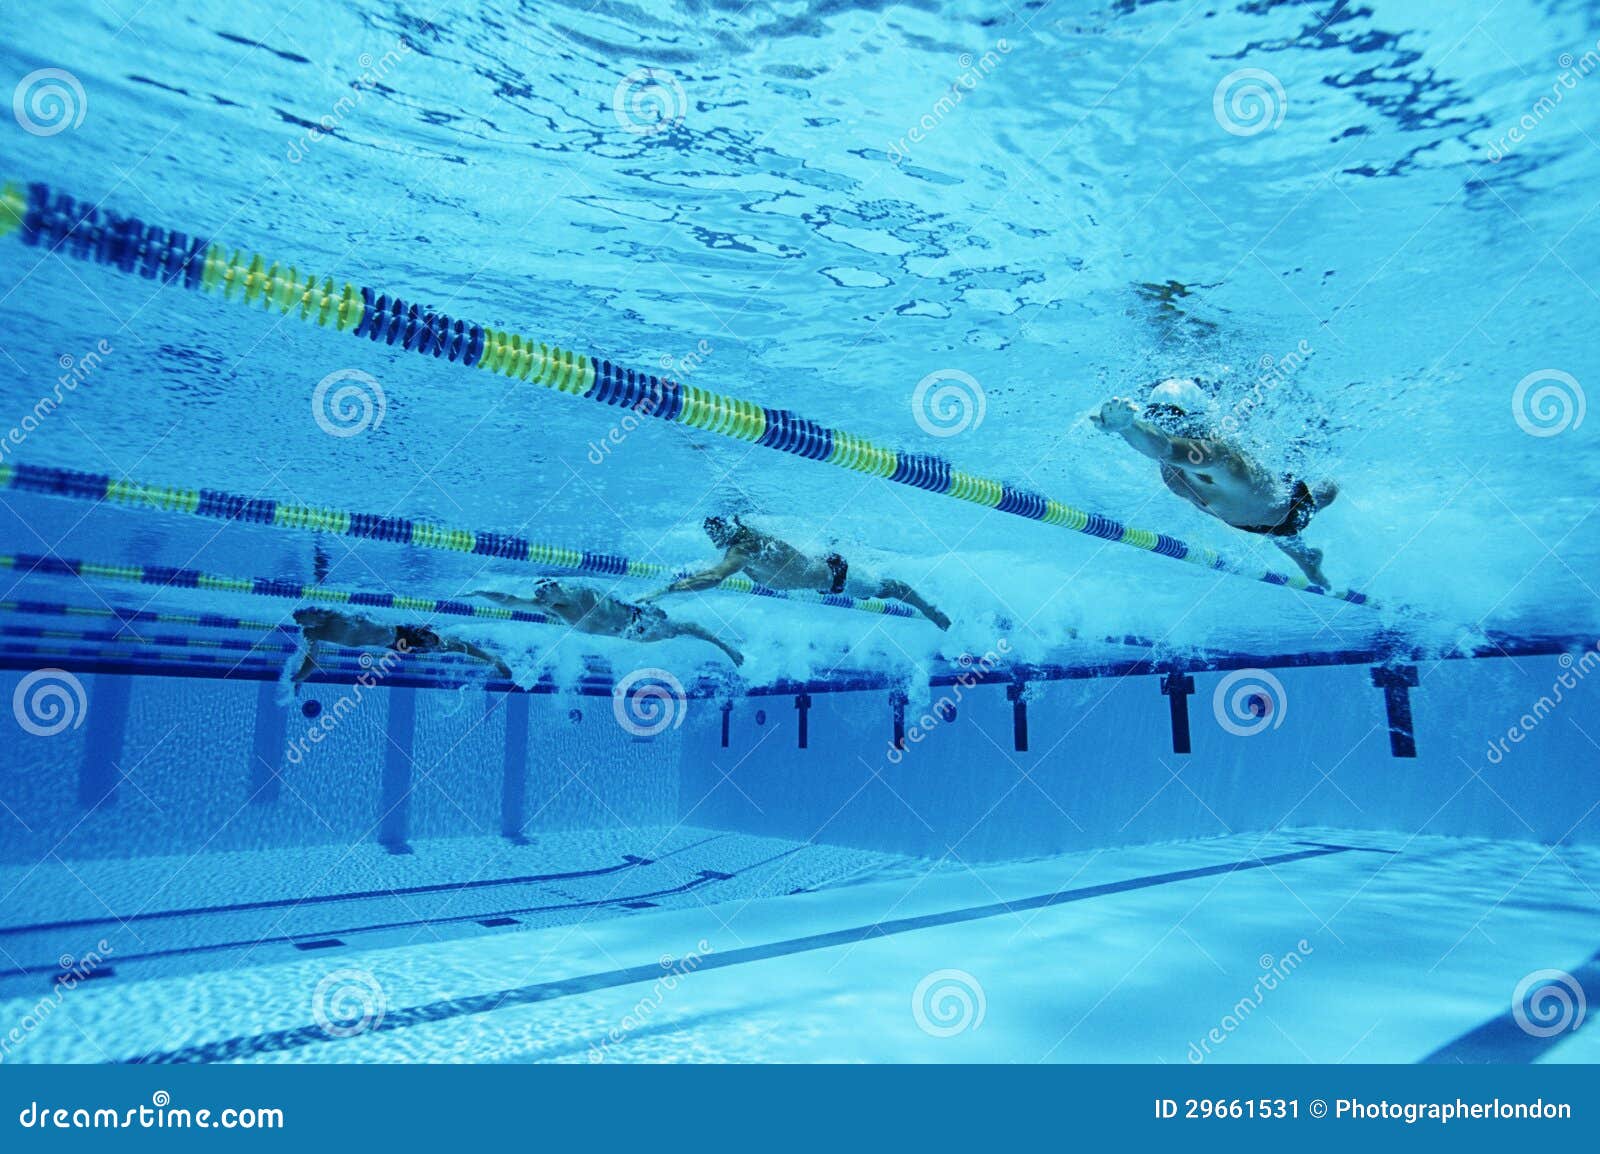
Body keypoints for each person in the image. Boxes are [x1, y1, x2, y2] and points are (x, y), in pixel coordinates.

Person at [1092, 378, 1339, 587]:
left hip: (1287, 509)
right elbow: (1162, 445)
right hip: (1251, 517)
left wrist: (1129, 428)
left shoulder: (1218, 456)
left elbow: (1167, 448)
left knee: (1322, 496)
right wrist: (1132, 429)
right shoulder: (1175, 454)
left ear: (1198, 418)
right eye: (1158, 415)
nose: (1168, 423)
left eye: (1174, 415)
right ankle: (1310, 562)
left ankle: (1334, 488)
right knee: (1289, 544)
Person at [652, 515, 951, 630]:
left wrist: (675, 589)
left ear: (728, 531)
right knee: (882, 587)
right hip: (822, 575)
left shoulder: (743, 549)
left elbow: (716, 577)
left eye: (714, 534)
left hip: (836, 575)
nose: (713, 541)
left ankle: (929, 608)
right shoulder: (743, 548)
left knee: (886, 589)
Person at [467, 580, 744, 666]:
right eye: (539, 594)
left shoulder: (584, 590)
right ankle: (727, 646)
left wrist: (647, 607)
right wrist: (480, 592)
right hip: (632, 635)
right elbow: (510, 600)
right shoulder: (550, 608)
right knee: (683, 631)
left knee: (689, 627)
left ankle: (727, 646)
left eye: (543, 590)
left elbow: (620, 597)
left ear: (554, 586)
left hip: (638, 619)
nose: (540, 596)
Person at [286, 606, 513, 690]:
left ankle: (493, 658)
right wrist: (300, 678)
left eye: (301, 615)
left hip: (401, 632)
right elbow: (312, 658)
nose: (298, 621)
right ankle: (492, 657)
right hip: (395, 643)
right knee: (448, 645)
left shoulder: (331, 612)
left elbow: (358, 613)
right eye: (297, 619)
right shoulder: (312, 633)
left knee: (448, 645)